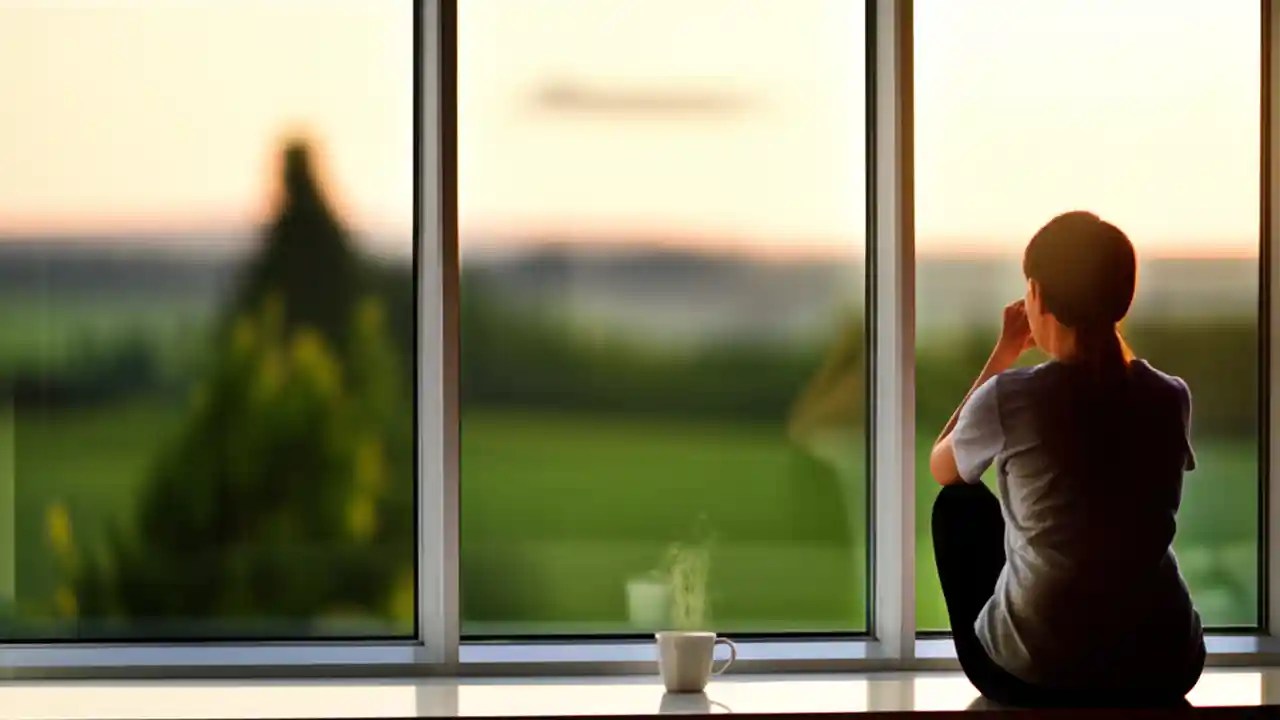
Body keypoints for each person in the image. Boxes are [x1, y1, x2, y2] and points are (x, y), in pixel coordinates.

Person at [929, 211, 1205, 707]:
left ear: (1036, 293)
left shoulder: (1012, 398)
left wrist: (1003, 353)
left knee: (958, 506)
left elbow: (943, 467)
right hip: (1166, 665)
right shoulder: (1169, 396)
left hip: (1038, 674)